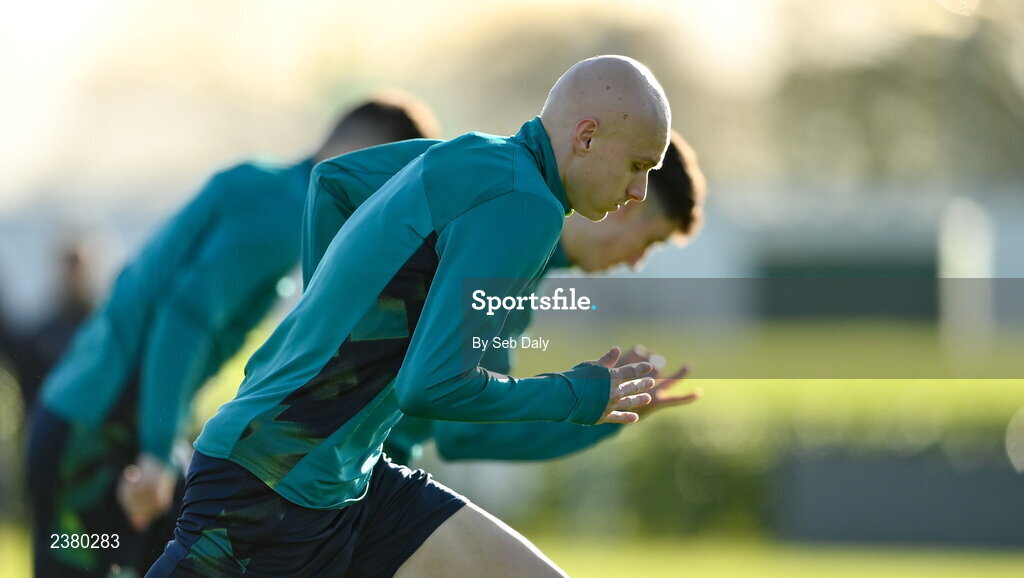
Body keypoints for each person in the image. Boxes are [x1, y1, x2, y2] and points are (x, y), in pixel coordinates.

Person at [148, 54, 673, 578]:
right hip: (271, 485)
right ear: (585, 137)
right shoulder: (530, 206)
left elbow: (333, 183)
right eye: (638, 167)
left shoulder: (473, 154)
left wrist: (333, 322)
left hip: (349, 480)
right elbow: (430, 387)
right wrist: (578, 395)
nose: (638, 192)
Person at [26, 94, 439, 578]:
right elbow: (183, 317)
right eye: (392, 179)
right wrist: (157, 453)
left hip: (90, 423)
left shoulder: (263, 187)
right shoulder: (287, 213)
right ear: (363, 157)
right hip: (95, 436)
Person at [302, 130, 707, 465]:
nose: (637, 262)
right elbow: (466, 437)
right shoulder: (507, 240)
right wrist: (601, 406)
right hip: (342, 473)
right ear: (626, 204)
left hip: (353, 469)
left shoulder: (510, 232)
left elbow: (331, 180)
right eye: (651, 241)